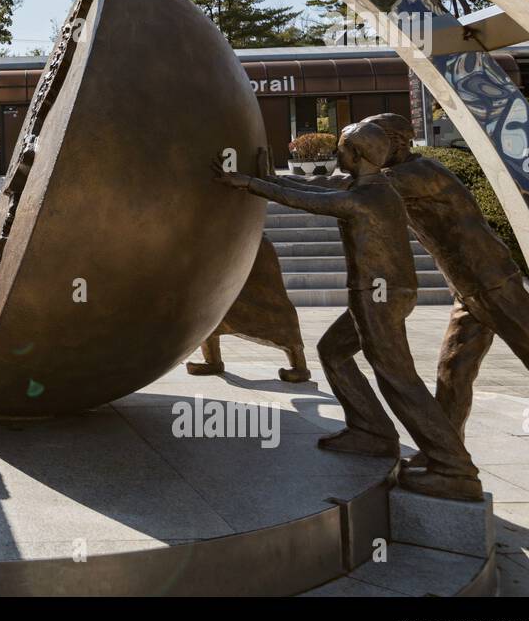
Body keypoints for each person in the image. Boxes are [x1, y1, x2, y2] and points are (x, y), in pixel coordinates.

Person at [213, 122, 483, 501]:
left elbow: (311, 202)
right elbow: (314, 188)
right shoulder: (372, 187)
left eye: (341, 150)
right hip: (383, 292)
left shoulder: (364, 198)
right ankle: (371, 430)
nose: (336, 156)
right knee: (334, 352)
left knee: (397, 377)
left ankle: (454, 467)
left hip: (378, 295)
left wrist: (250, 184)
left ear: (356, 155)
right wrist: (263, 178)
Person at [358, 113, 529, 475]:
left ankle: (445, 457)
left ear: (396, 143)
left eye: (371, 143)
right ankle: (445, 456)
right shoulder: (403, 174)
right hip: (470, 289)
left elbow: (355, 191)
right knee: (454, 369)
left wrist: (262, 182)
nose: (366, 152)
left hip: (493, 284)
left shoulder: (417, 174)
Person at [186, 235, 311, 382]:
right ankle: (212, 361)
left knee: (274, 307)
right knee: (210, 310)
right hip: (223, 245)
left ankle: (299, 365)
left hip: (249, 242)